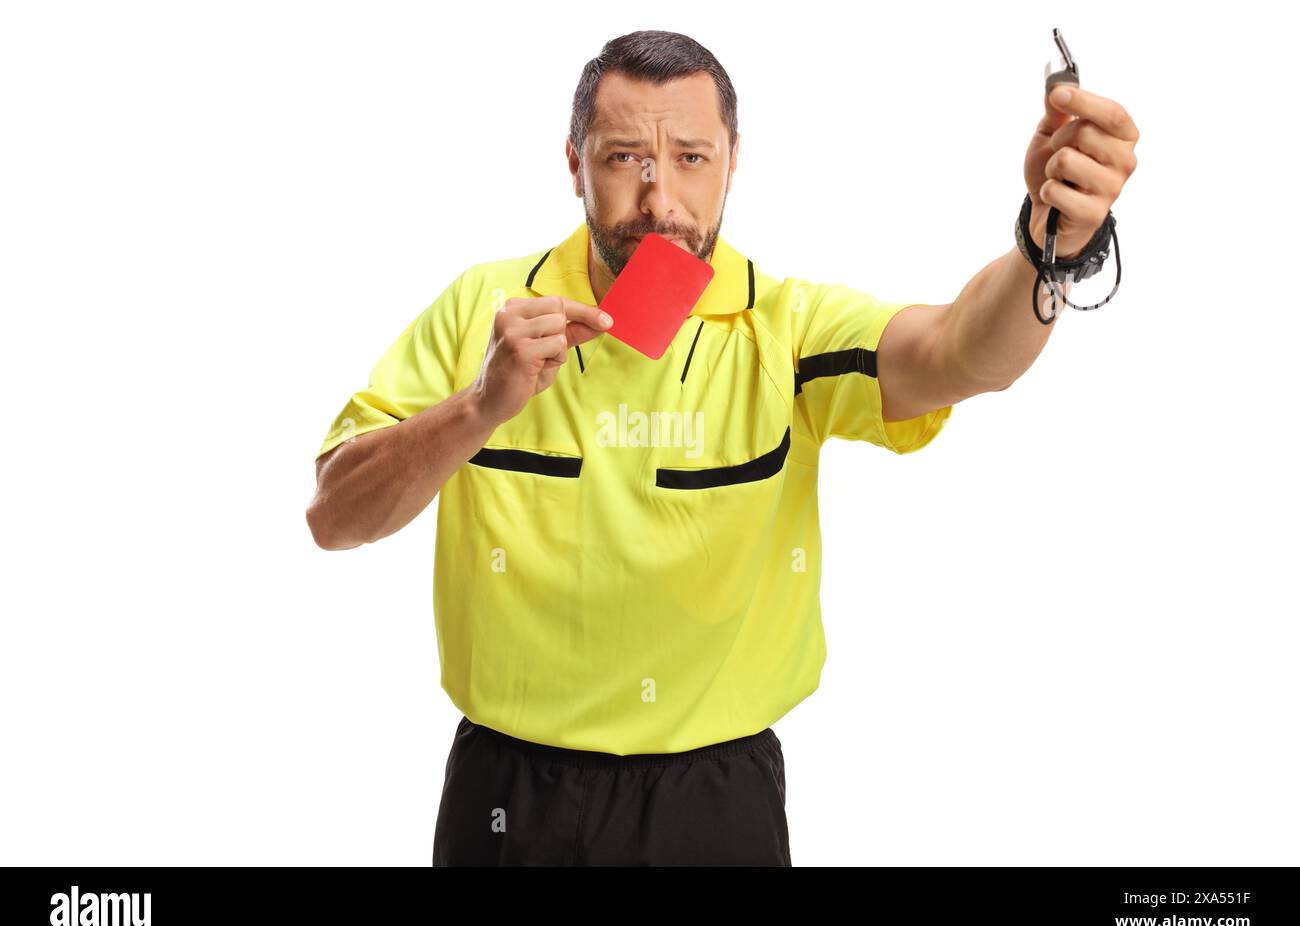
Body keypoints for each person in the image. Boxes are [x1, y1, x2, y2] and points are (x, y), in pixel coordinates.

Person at [306, 30, 1139, 866]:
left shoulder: (787, 329)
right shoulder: (480, 312)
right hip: (508, 796)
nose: (658, 195)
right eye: (624, 155)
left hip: (715, 801)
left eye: (692, 158)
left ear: (734, 161)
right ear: (573, 161)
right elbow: (335, 516)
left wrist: (1051, 247)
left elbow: (962, 352)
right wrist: (479, 409)